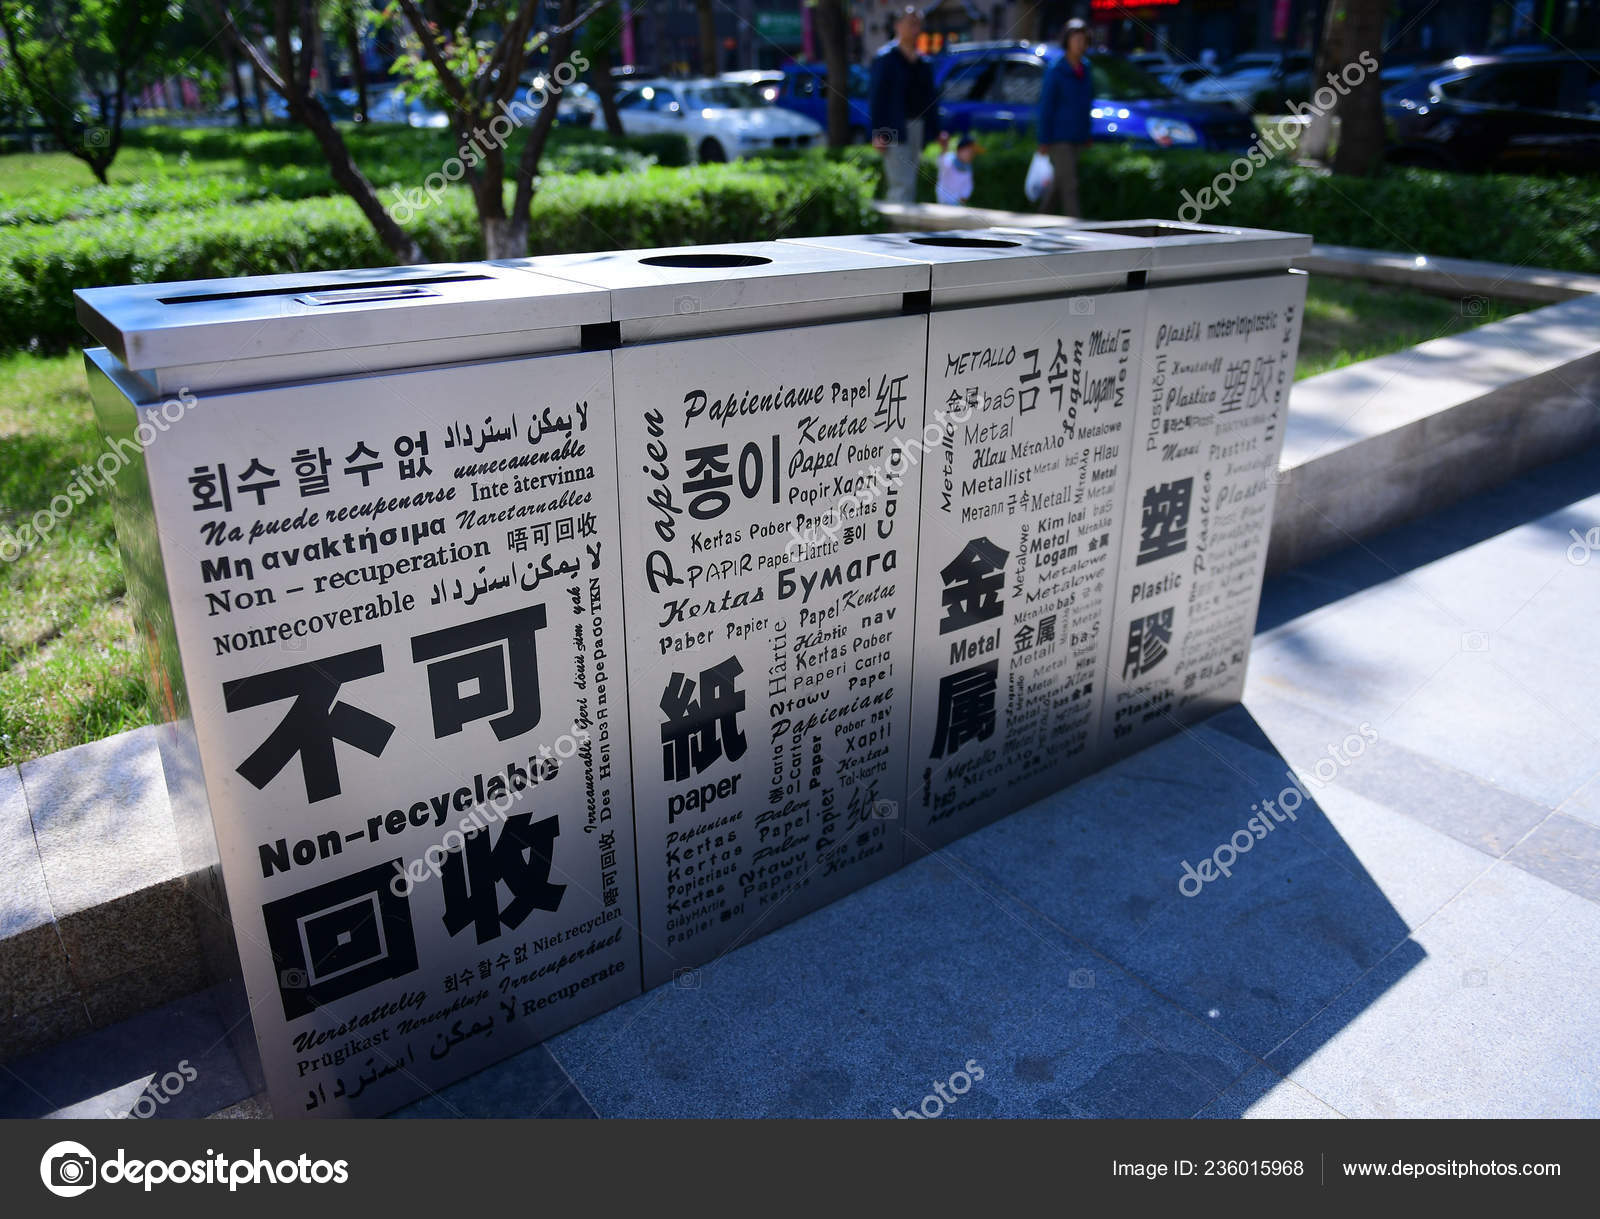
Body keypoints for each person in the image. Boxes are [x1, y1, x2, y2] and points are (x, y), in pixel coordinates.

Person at [869, 7, 938, 204]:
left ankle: (902, 220)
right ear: (897, 26)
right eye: (910, 23)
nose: (914, 29)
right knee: (901, 184)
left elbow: (931, 98)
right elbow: (877, 98)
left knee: (910, 182)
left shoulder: (924, 62)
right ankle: (895, 223)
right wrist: (878, 132)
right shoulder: (885, 59)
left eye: (917, 24)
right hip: (893, 127)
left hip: (917, 126)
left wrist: (936, 130)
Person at [1037, 18, 1094, 216]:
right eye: (1075, 39)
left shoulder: (1086, 68)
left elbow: (1087, 103)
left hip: (1078, 135)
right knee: (1070, 185)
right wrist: (1044, 139)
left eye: (1083, 39)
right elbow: (1046, 106)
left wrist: (1087, 133)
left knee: (1059, 182)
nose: (1079, 43)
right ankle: (1076, 225)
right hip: (1059, 137)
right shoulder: (1056, 69)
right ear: (1067, 41)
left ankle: (1041, 220)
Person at [936, 135, 979, 206]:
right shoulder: (949, 159)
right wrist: (944, 147)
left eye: (973, 152)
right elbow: (942, 161)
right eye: (970, 151)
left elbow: (967, 188)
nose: (972, 155)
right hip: (943, 204)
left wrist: (960, 203)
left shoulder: (968, 168)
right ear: (960, 150)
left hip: (957, 206)